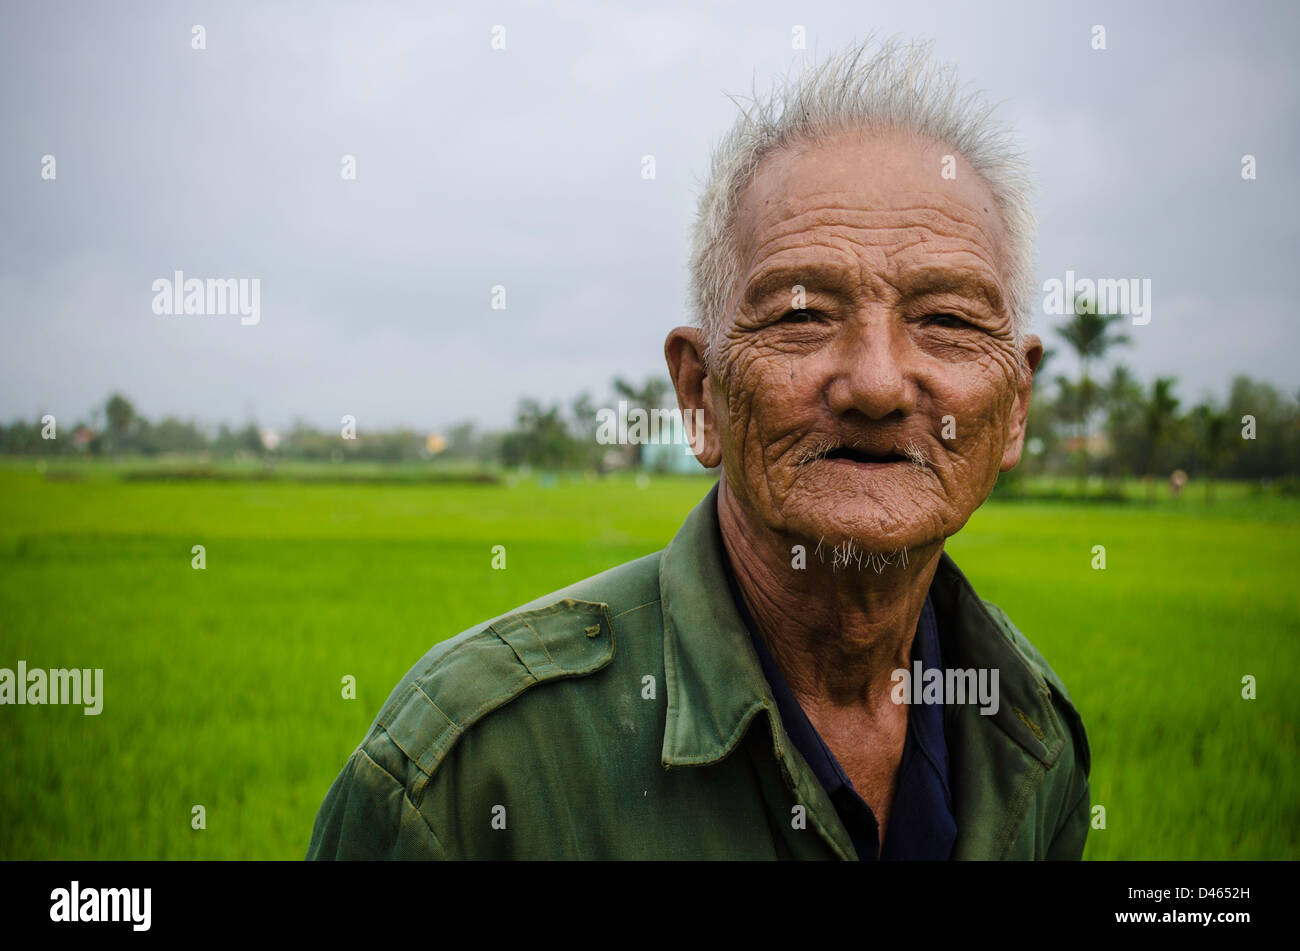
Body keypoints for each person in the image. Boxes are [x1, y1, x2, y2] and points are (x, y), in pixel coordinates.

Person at [306, 38, 1090, 861]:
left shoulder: (1031, 735)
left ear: (1014, 407)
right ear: (699, 394)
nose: (877, 383)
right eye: (801, 315)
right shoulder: (470, 771)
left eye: (948, 321)